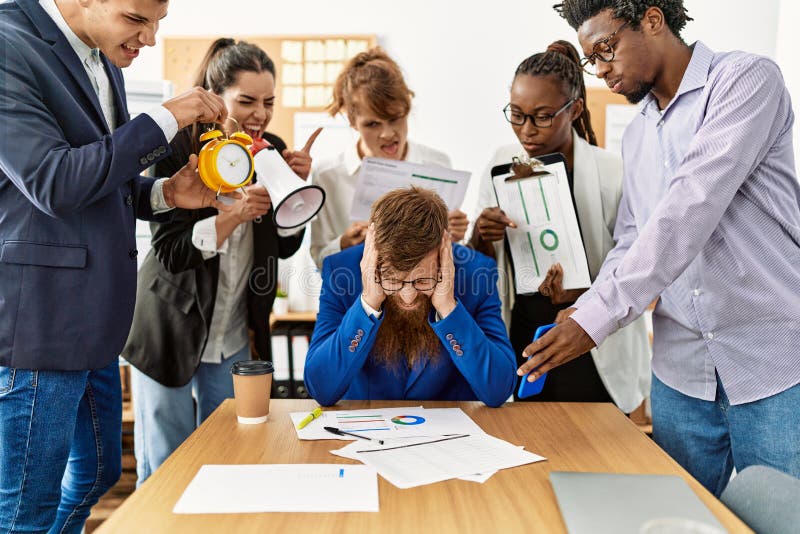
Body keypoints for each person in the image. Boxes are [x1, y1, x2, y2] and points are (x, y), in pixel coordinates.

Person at [520, 0, 800, 496]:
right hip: (681, 374)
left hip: (771, 367)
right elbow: (632, 237)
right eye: (592, 59)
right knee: (671, 516)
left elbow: (691, 207)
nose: (601, 70)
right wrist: (582, 308)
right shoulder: (639, 133)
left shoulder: (746, 81)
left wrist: (595, 320)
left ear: (652, 20)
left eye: (607, 49)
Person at [0, 0, 231, 531]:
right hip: (42, 325)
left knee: (97, 475)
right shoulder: (9, 46)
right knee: (23, 514)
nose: (148, 38)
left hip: (96, 324)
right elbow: (55, 183)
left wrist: (169, 193)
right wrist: (167, 118)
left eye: (158, 23)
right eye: (136, 20)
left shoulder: (102, 59)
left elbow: (106, 182)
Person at [121, 39, 318, 484]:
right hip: (167, 329)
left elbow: (282, 249)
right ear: (215, 95)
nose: (260, 114)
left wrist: (293, 194)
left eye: (269, 102)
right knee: (166, 466)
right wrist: (231, 217)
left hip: (233, 336)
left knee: (229, 456)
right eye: (246, 100)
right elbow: (171, 253)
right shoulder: (176, 151)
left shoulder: (272, 148)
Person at [469, 42, 650, 410]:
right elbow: (479, 267)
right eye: (516, 115)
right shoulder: (500, 163)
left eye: (542, 116)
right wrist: (481, 236)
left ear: (575, 109)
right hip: (521, 336)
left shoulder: (612, 173)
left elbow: (639, 268)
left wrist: (580, 294)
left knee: (590, 455)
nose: (526, 130)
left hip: (590, 346)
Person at [305, 187, 516, 408]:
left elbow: (499, 389)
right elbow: (321, 388)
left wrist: (448, 308)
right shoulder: (341, 272)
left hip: (451, 432)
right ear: (373, 254)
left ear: (443, 250)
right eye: (393, 281)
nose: (408, 296)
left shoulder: (478, 273)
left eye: (423, 281)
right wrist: (367, 303)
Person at [310, 47, 469, 268]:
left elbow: (445, 259)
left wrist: (453, 235)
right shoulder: (328, 175)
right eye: (372, 124)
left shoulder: (437, 165)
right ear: (352, 121)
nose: (387, 134)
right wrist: (345, 243)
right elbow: (320, 260)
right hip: (354, 296)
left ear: (407, 108)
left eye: (395, 118)